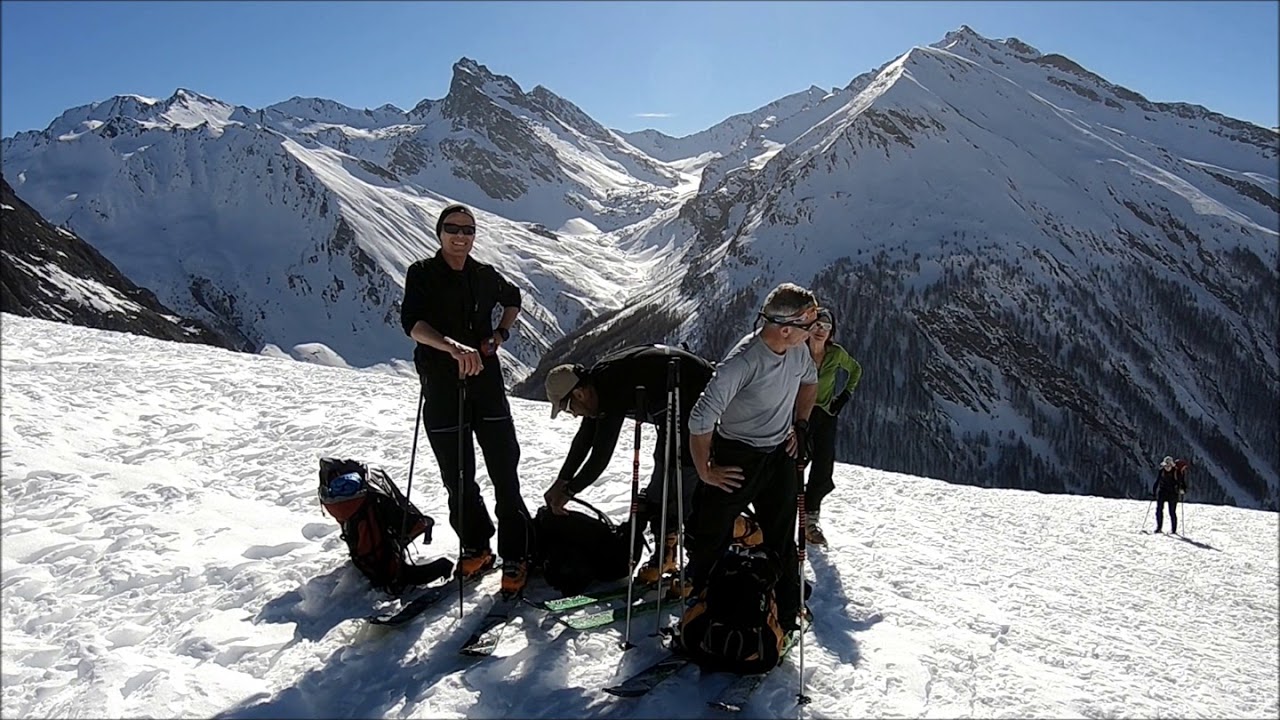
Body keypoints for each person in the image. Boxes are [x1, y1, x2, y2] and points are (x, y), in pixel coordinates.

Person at [400, 203, 534, 595]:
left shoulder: (484, 275)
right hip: (442, 386)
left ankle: (516, 554)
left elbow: (514, 298)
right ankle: (476, 547)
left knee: (504, 473)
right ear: (439, 232)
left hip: (487, 387)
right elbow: (413, 325)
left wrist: (500, 334)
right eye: (452, 228)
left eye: (468, 230)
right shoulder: (422, 274)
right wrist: (450, 347)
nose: (460, 236)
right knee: (457, 478)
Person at [682, 282, 820, 636]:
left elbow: (809, 382)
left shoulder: (797, 350)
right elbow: (700, 418)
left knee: (780, 538)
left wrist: (800, 425)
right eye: (808, 326)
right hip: (737, 456)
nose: (814, 332)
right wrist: (706, 470)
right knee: (710, 532)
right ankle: (702, 604)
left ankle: (784, 612)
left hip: (776, 454)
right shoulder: (743, 361)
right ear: (785, 328)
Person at [543, 344, 715, 585]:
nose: (571, 414)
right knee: (660, 488)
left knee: (683, 486)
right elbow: (584, 439)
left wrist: (569, 491)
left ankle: (706, 565)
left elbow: (600, 456)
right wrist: (561, 481)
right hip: (674, 405)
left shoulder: (611, 387)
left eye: (567, 407)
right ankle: (667, 555)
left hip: (695, 399)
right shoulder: (598, 383)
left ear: (579, 393)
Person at [802, 308, 863, 547]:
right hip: (799, 416)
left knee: (823, 468)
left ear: (831, 332)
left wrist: (845, 396)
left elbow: (856, 370)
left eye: (825, 327)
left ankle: (809, 519)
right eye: (816, 325)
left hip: (825, 415)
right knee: (793, 464)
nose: (820, 331)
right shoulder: (798, 351)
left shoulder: (836, 354)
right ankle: (787, 514)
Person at [1152, 455, 1186, 534]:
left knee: (1172, 511)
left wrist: (1182, 488)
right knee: (1159, 510)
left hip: (1172, 493)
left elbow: (1181, 482)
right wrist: (1154, 491)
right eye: (1166, 465)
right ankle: (1159, 527)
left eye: (1168, 465)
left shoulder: (1176, 472)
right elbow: (1157, 481)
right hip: (1164, 492)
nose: (1167, 467)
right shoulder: (1162, 471)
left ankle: (1173, 530)